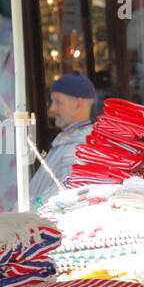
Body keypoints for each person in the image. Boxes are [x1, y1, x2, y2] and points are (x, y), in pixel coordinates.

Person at [29, 72, 95, 205]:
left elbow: (63, 198)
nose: (52, 108)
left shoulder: (78, 149)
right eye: (52, 101)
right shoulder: (69, 140)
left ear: (77, 104)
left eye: (57, 102)